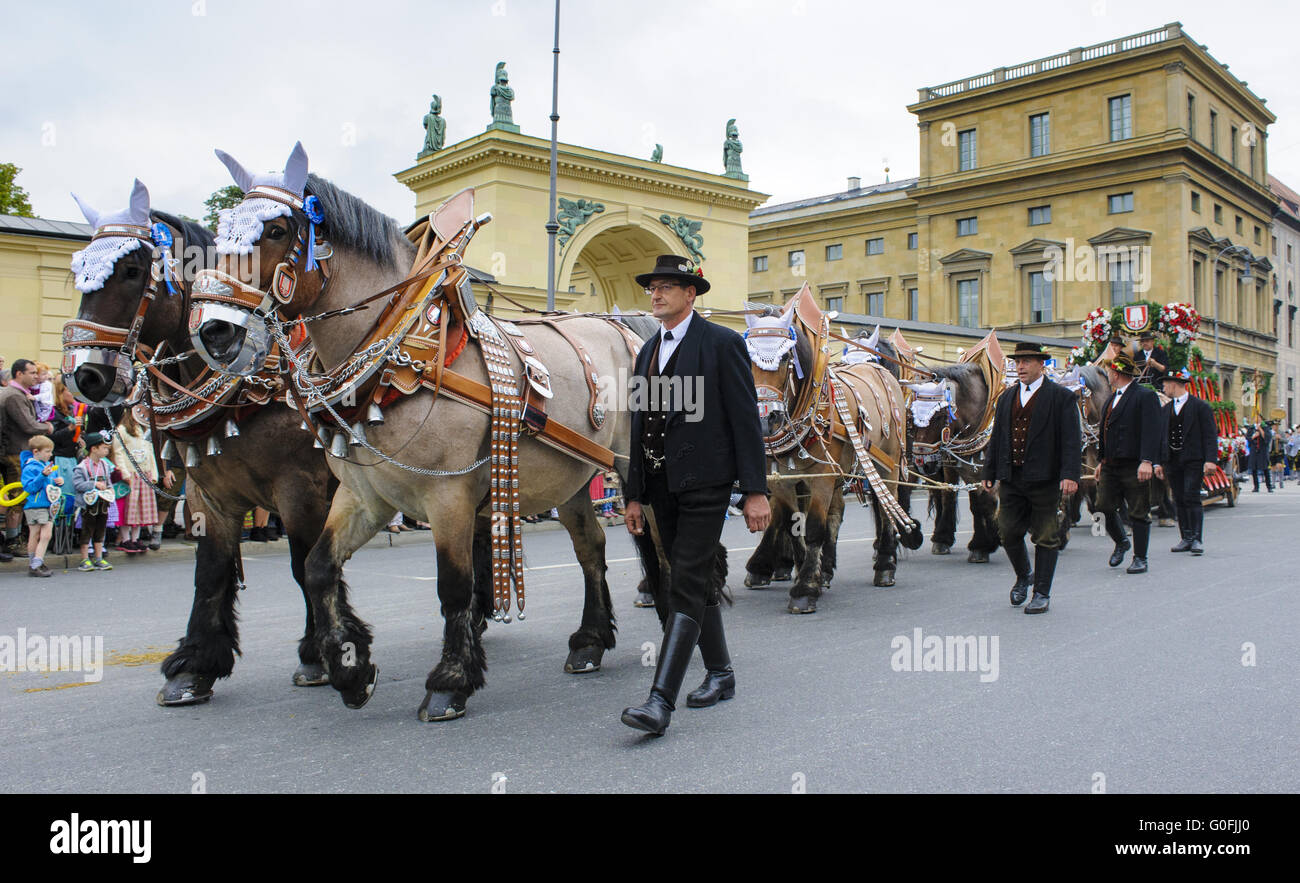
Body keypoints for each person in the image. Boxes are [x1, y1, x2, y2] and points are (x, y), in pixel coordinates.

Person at [621, 254, 770, 735]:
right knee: (698, 579)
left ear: (691, 293)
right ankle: (722, 673)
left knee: (681, 581)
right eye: (653, 287)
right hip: (661, 487)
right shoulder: (647, 352)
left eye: (668, 286)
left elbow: (746, 422)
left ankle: (659, 701)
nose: (657, 294)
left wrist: (754, 491)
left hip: (706, 484)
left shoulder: (722, 344)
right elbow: (639, 426)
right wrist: (633, 495)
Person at [982, 342, 1081, 614]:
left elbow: (1072, 440)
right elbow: (997, 438)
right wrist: (989, 473)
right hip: (1012, 477)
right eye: (1017, 362)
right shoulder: (1006, 398)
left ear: (1041, 365)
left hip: (1046, 479)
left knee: (1046, 535)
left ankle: (1041, 592)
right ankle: (1024, 574)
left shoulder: (1061, 397)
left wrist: (1070, 475)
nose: (1020, 367)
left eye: (1026, 361)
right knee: (1007, 530)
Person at [1096, 354, 1162, 573]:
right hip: (1110, 465)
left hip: (1134, 464)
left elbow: (1152, 431)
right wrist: (1100, 461)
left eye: (1109, 372)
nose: (1108, 376)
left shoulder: (1144, 396)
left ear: (1116, 373)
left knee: (1138, 512)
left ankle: (1140, 557)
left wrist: (1147, 461)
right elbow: (1105, 433)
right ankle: (1122, 542)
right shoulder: (1110, 399)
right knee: (1103, 507)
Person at [1154, 367, 1217, 555]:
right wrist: (1158, 462)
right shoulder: (1165, 409)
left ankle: (1197, 539)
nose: (1164, 388)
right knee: (1179, 498)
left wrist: (1210, 460)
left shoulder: (1200, 407)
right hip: (1172, 460)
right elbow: (1160, 438)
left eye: (1165, 385)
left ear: (1174, 384)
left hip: (1193, 459)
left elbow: (1209, 435)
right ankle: (1186, 537)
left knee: (1192, 496)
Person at [1, 358, 56, 558]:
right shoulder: (14, 395)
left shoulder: (19, 393)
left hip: (15, 450)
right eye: (32, 373)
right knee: (18, 497)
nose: (36, 376)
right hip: (15, 452)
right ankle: (12, 541)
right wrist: (47, 427)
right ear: (18, 374)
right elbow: (28, 426)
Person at [111, 410, 167, 553]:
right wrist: (123, 472)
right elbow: (118, 452)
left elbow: (150, 452)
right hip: (131, 474)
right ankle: (125, 539)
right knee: (128, 509)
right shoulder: (121, 430)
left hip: (144, 473)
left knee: (141, 509)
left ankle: (136, 539)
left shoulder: (144, 431)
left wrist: (153, 473)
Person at [73, 432, 121, 571]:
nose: (107, 451)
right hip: (88, 505)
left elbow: (108, 482)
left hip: (102, 504)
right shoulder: (82, 467)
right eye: (104, 448)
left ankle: (99, 558)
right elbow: (77, 485)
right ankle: (84, 558)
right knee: (86, 530)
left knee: (101, 530)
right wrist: (93, 485)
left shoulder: (105, 465)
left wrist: (111, 490)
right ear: (94, 448)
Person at [20, 434, 63, 577]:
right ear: (36, 452)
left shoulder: (49, 466)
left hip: (49, 505)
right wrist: (42, 476)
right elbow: (30, 488)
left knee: (45, 534)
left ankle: (36, 562)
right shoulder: (29, 467)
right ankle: (35, 563)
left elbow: (52, 487)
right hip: (35, 505)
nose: (50, 454)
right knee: (37, 534)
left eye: (51, 451)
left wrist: (58, 482)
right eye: (47, 451)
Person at [1247, 421, 1273, 492]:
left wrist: (1260, 430)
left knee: (1265, 468)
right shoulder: (1251, 428)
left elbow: (1268, 438)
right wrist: (1254, 436)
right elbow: (1248, 438)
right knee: (1254, 469)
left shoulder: (1265, 427)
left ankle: (1269, 486)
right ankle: (1256, 486)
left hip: (1262, 450)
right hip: (1254, 450)